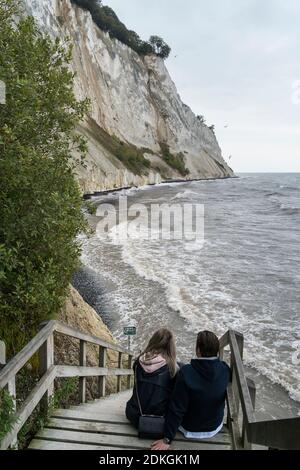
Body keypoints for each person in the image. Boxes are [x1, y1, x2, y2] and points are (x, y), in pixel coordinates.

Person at [151, 330, 231, 450]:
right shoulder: (225, 369)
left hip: (189, 429)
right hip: (214, 427)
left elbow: (176, 409)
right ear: (217, 350)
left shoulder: (186, 373)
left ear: (198, 350)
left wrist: (167, 439)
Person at [126, 328, 178, 428]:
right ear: (171, 346)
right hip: (161, 419)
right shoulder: (173, 368)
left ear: (152, 341)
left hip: (135, 416)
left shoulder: (138, 363)